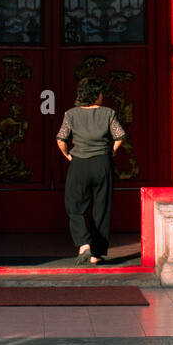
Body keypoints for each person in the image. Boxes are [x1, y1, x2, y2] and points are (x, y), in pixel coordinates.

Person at [56, 78, 125, 265]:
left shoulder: (71, 114)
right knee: (101, 209)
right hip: (102, 163)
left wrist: (68, 155)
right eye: (101, 93)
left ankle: (83, 243)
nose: (103, 96)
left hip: (79, 164)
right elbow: (120, 135)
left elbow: (61, 138)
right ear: (95, 95)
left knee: (74, 206)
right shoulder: (108, 113)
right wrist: (112, 151)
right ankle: (97, 254)